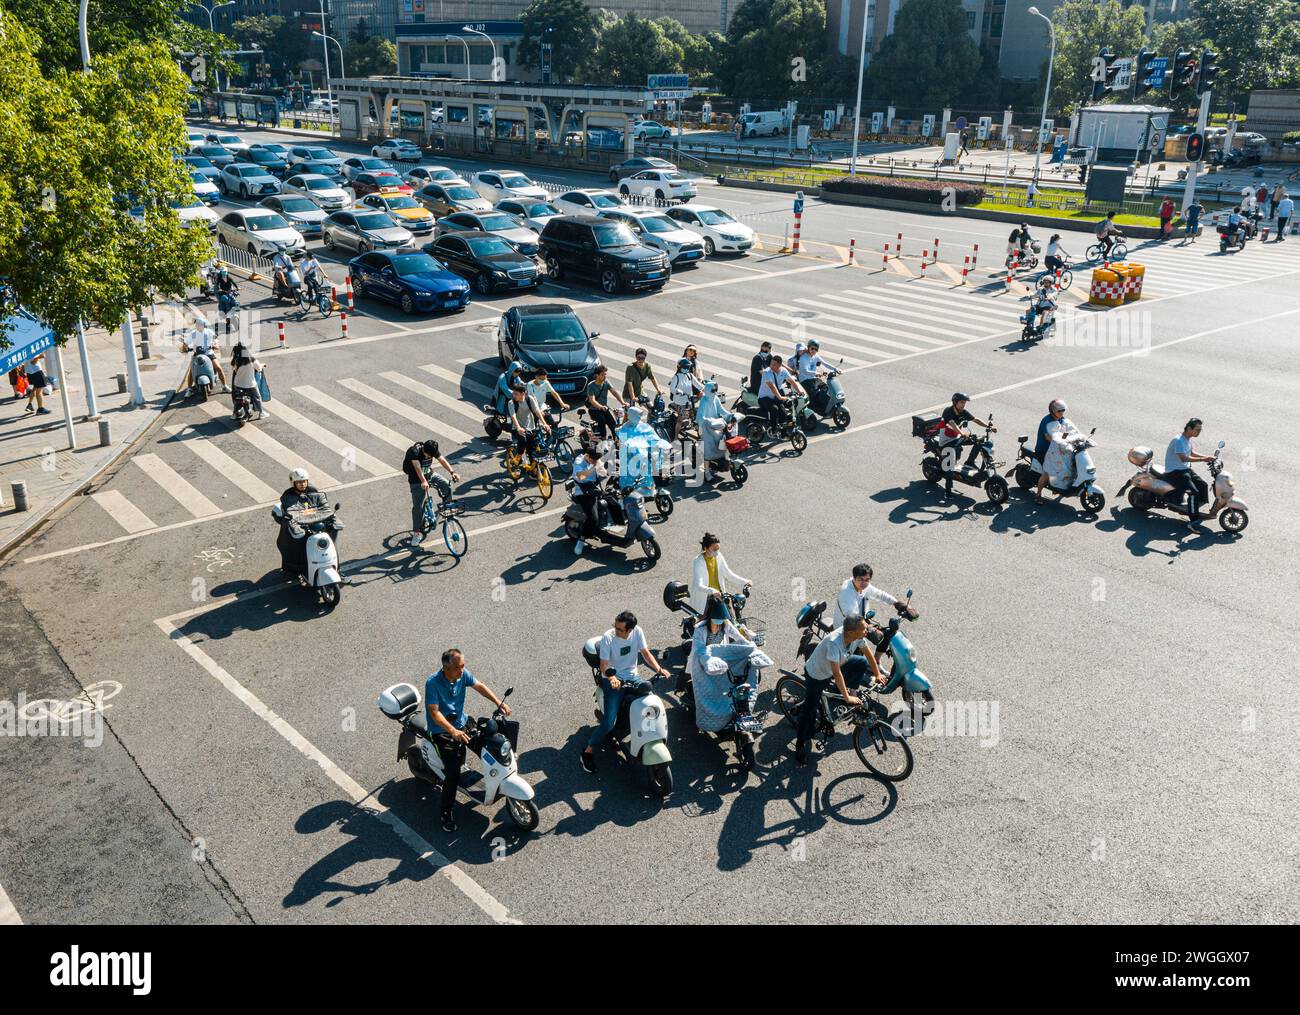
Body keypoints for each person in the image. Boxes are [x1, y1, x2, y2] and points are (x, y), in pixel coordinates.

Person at [424, 648, 511, 832]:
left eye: (463, 665)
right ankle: (446, 812)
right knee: (453, 774)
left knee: (489, 744)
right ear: (446, 667)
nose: (462, 670)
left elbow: (479, 686)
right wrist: (452, 731)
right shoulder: (433, 683)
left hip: (462, 723)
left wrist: (498, 702)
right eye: (458, 667)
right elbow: (434, 713)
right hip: (443, 732)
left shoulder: (462, 675)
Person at [580, 611, 669, 773]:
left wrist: (659, 668)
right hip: (612, 680)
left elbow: (646, 653)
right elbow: (603, 665)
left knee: (649, 703)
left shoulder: (638, 632)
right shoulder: (608, 637)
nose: (615, 630)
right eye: (615, 626)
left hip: (632, 676)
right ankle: (587, 751)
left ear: (630, 630)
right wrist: (612, 677)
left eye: (620, 629)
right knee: (608, 723)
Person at [794, 613, 885, 765]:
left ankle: (848, 690)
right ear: (851, 632)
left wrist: (878, 674)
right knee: (809, 710)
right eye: (863, 629)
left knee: (861, 662)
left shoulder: (858, 636)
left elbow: (869, 655)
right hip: (818, 673)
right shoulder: (834, 643)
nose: (867, 631)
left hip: (836, 664)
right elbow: (836, 674)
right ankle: (801, 742)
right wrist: (847, 698)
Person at [683, 597, 755, 697]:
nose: (720, 621)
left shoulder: (725, 623)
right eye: (718, 619)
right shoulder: (700, 630)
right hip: (704, 662)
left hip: (719, 659)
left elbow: (738, 636)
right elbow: (699, 651)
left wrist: (750, 646)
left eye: (722, 619)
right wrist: (710, 661)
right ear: (710, 616)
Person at [275, 468, 342, 574]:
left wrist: (334, 519)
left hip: (318, 524)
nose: (302, 484)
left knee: (331, 541)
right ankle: (296, 568)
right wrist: (294, 525)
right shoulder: (287, 497)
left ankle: (338, 568)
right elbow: (290, 513)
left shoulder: (315, 493)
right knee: (295, 542)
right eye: (299, 482)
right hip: (302, 526)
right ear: (293, 483)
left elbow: (325, 508)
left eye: (304, 481)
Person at [404, 438, 460, 547]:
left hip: (429, 474)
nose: (431, 458)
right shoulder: (414, 452)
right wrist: (423, 481)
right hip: (416, 480)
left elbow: (442, 460)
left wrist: (453, 472)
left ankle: (448, 511)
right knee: (418, 507)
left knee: (447, 486)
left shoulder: (432, 449)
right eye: (429, 456)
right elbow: (417, 468)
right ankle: (416, 533)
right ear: (424, 451)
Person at [939, 392, 994, 497]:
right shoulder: (948, 411)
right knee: (951, 462)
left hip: (957, 438)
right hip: (947, 441)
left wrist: (988, 426)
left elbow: (975, 419)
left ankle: (970, 462)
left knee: (979, 441)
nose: (963, 404)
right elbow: (952, 424)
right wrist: (962, 433)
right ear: (955, 402)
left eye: (964, 402)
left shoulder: (963, 412)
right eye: (961, 402)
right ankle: (948, 490)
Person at [1164, 417, 1216, 526]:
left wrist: (1207, 457)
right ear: (1189, 428)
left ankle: (1194, 508)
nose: (1199, 432)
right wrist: (1203, 459)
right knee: (1193, 493)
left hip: (1184, 469)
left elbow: (1191, 453)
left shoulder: (1187, 439)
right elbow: (1183, 458)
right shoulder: (1178, 440)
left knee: (1203, 485)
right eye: (1197, 430)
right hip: (1174, 472)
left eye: (1200, 430)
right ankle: (1193, 520)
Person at [834, 564, 917, 628]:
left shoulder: (865, 586)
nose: (864, 583)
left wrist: (896, 603)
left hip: (862, 621)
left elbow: (880, 595)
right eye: (860, 579)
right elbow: (852, 617)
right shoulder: (846, 593)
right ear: (854, 578)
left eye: (867, 580)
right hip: (846, 629)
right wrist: (869, 628)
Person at [689, 532, 751, 615]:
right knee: (706, 624)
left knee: (732, 620)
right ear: (706, 548)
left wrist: (745, 582)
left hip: (720, 595)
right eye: (714, 549)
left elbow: (728, 573)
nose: (717, 552)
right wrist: (712, 591)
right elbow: (698, 585)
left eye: (718, 549)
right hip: (705, 599)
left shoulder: (718, 556)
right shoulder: (698, 562)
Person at [1035, 401, 1081, 503]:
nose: (1062, 413)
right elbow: (1049, 438)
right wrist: (1060, 441)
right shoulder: (1046, 421)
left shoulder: (1062, 420)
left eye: (1063, 410)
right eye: (1059, 411)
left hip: (1058, 449)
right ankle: (1038, 495)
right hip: (1044, 450)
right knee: (1047, 472)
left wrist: (1076, 438)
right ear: (1053, 411)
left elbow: (1067, 432)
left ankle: (1058, 485)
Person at [570, 444, 605, 555]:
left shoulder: (594, 460)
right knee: (593, 518)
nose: (595, 462)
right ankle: (581, 540)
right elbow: (580, 476)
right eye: (593, 460)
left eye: (596, 460)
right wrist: (594, 468)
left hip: (596, 488)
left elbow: (603, 471)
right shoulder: (579, 462)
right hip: (584, 493)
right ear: (587, 456)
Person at [507, 382, 549, 468]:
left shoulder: (529, 399)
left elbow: (537, 411)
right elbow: (513, 416)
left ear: (523, 393)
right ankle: (518, 456)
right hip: (517, 427)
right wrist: (518, 427)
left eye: (516, 394)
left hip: (530, 426)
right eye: (513, 393)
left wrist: (545, 424)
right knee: (523, 439)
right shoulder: (511, 403)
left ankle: (532, 469)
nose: (514, 396)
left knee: (531, 449)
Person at [181, 321, 229, 393]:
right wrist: (185, 348)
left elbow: (215, 340)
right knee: (191, 371)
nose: (198, 326)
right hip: (197, 354)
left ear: (204, 325)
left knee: (218, 367)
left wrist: (216, 345)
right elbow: (186, 343)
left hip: (209, 353)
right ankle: (189, 389)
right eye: (197, 324)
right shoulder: (193, 333)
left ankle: (225, 386)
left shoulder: (209, 332)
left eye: (200, 324)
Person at [758, 353, 804, 428]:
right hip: (764, 397)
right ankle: (773, 429)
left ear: (779, 365)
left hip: (775, 397)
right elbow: (772, 387)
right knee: (774, 409)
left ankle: (783, 433)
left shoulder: (783, 371)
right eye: (771, 363)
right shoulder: (766, 372)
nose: (771, 366)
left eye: (774, 364)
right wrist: (780, 397)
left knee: (783, 412)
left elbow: (792, 382)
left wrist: (799, 392)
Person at [584, 364, 623, 441]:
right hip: (594, 410)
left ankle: (616, 442)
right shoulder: (591, 386)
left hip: (604, 409)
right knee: (602, 420)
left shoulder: (606, 382)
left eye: (605, 374)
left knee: (613, 424)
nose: (605, 376)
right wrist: (600, 407)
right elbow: (592, 400)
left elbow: (614, 392)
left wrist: (622, 402)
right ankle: (603, 440)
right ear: (597, 375)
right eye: (602, 375)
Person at [667, 357, 702, 439]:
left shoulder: (690, 375)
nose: (686, 369)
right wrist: (678, 391)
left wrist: (706, 389)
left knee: (695, 416)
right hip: (681, 402)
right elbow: (672, 388)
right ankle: (676, 436)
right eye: (685, 367)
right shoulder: (677, 377)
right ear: (680, 368)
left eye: (688, 368)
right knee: (680, 419)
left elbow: (698, 384)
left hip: (689, 401)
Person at [792, 339, 831, 411]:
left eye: (816, 349)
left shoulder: (816, 356)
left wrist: (835, 369)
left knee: (826, 387)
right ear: (808, 347)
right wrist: (818, 373)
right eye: (812, 348)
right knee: (814, 393)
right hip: (805, 380)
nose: (814, 351)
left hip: (813, 379)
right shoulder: (804, 358)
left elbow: (825, 363)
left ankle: (824, 405)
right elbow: (806, 371)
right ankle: (814, 408)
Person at [230, 343, 265, 421]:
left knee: (236, 398)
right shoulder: (252, 359)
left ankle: (235, 413)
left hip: (238, 384)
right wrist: (263, 365)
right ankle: (261, 413)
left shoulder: (236, 361)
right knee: (257, 397)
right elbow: (259, 368)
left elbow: (234, 369)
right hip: (251, 384)